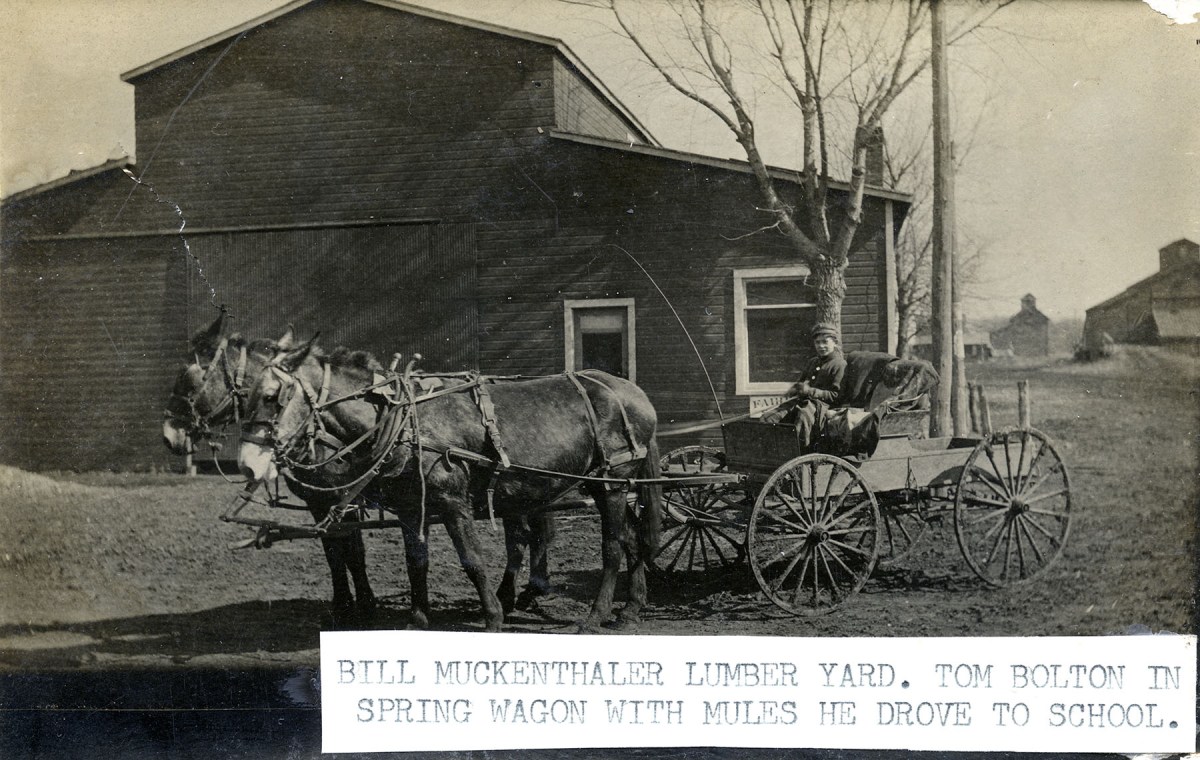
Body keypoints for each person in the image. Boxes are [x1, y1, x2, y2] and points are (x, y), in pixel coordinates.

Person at [762, 322, 847, 448]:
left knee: (802, 418)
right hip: (802, 403)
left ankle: (799, 456)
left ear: (834, 343)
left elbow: (836, 395)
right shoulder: (813, 362)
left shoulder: (839, 365)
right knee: (768, 418)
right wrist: (795, 389)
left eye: (825, 342)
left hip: (822, 408)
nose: (821, 346)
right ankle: (773, 453)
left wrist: (810, 391)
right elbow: (802, 382)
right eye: (817, 342)